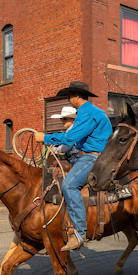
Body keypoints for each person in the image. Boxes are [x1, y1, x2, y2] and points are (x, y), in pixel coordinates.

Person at [34, 81, 112, 250]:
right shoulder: (89, 112)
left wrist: (45, 139)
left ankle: (79, 233)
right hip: (84, 157)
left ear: (77, 96)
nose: (68, 98)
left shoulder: (88, 113)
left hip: (92, 158)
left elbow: (70, 138)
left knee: (69, 186)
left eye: (69, 95)